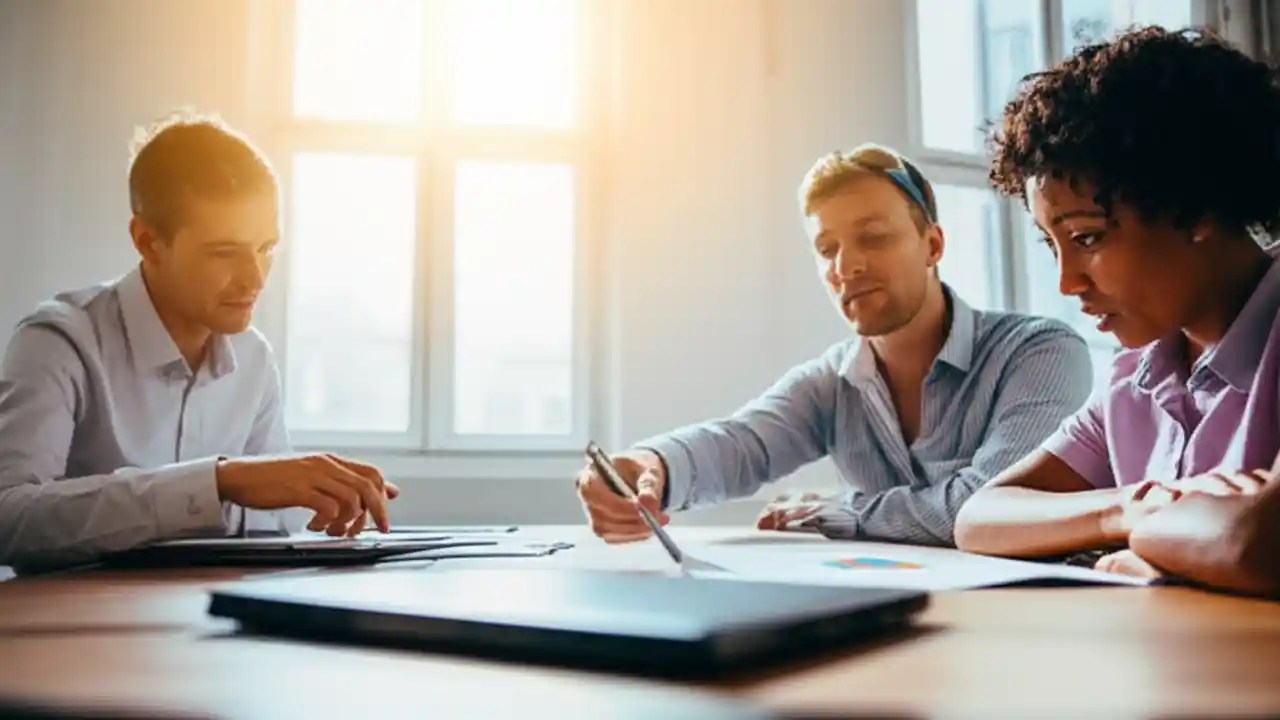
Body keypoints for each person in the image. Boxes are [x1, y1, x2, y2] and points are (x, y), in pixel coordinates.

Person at [576, 143, 1092, 546]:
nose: (846, 267)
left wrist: (839, 511)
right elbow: (742, 444)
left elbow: (985, 505)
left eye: (873, 237)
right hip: (888, 627)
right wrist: (651, 467)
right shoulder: (831, 382)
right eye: (827, 248)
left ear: (932, 244)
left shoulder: (1039, 352)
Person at [955, 27, 1280, 597]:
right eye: (1050, 246)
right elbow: (981, 516)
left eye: (1087, 237)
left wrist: (1150, 553)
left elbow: (1253, 544)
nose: (1066, 281)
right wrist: (1130, 512)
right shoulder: (1138, 378)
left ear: (1194, 206)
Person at [0, 112, 396, 571]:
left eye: (266, 248)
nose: (255, 278)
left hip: (212, 625)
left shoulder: (253, 360)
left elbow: (267, 533)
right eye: (224, 253)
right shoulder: (59, 341)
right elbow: (8, 519)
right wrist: (219, 481)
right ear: (148, 242)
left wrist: (320, 500)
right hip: (74, 632)